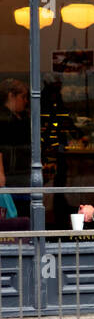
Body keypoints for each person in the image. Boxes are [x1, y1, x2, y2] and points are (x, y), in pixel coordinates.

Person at [0, 79, 31, 219]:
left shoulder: (22, 117)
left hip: (23, 175)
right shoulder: (3, 118)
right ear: (11, 95)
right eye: (23, 97)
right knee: (13, 212)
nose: (26, 101)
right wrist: (1, 174)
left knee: (24, 211)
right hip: (10, 176)